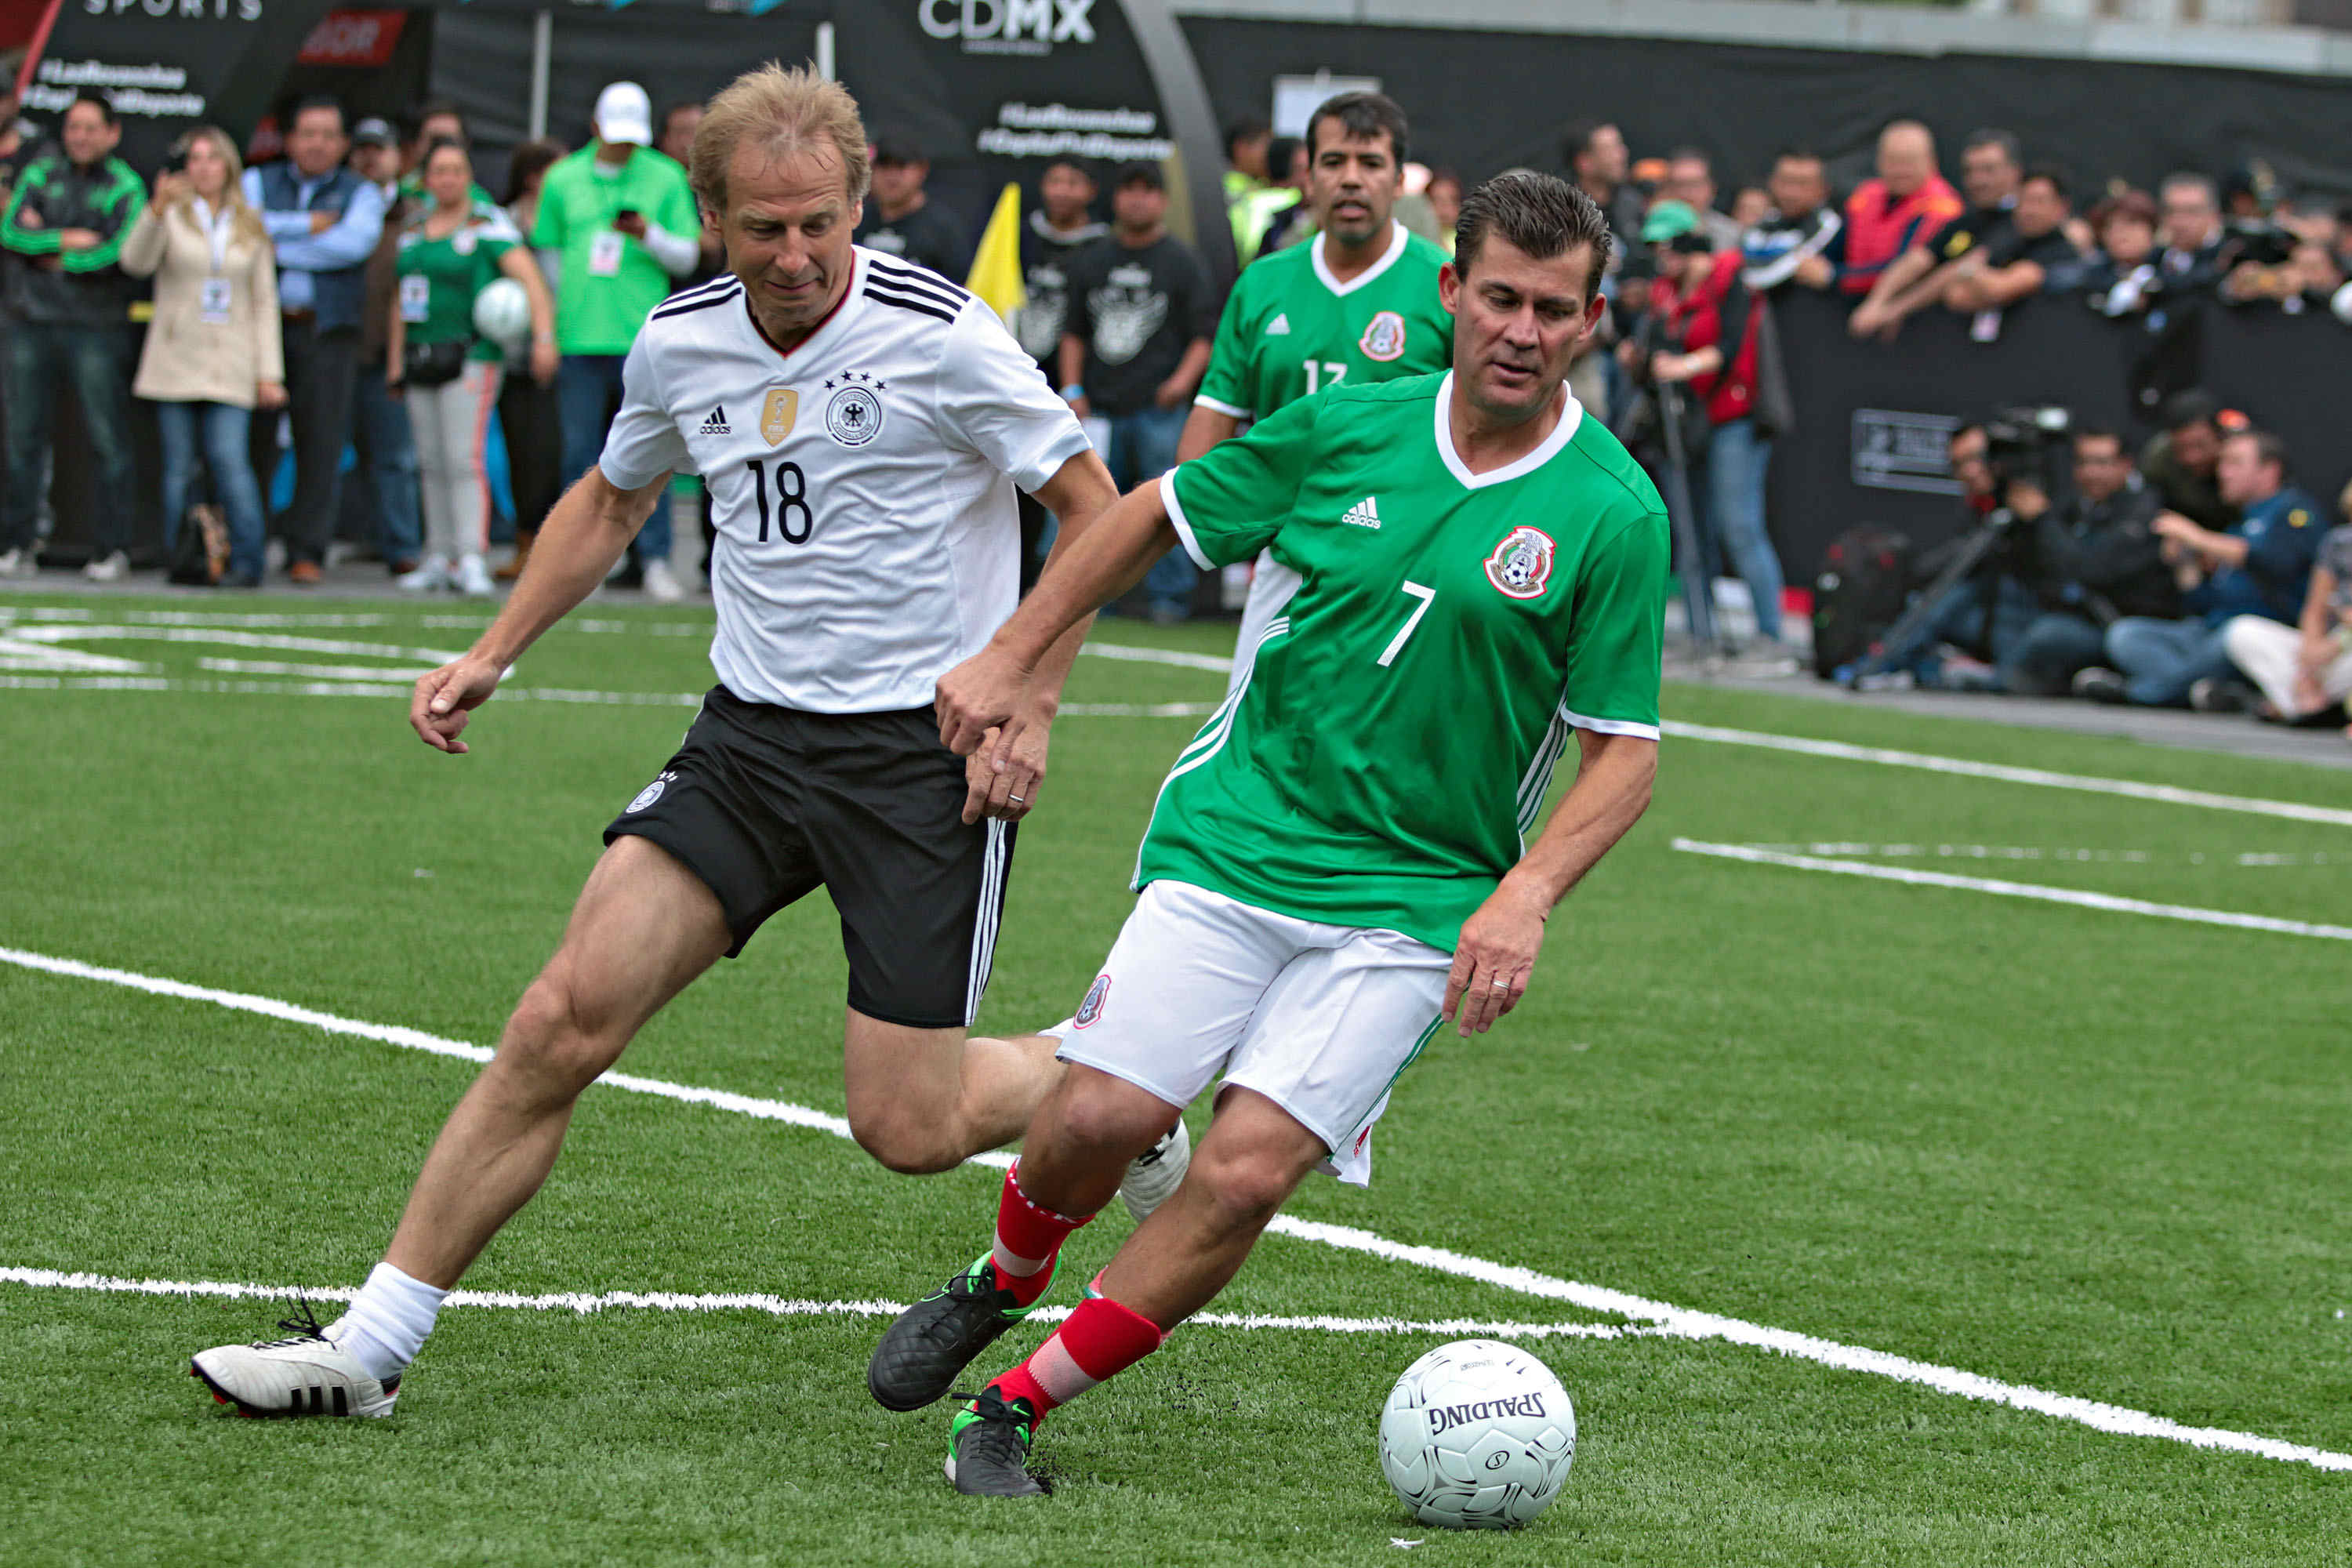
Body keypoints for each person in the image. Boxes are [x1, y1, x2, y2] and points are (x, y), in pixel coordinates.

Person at [184, 62, 1173, 1421]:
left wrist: (1030, 694)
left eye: (820, 222)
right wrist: (492, 652)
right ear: (710, 212)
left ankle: (1127, 1088)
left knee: (908, 1129)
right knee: (556, 1022)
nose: (795, 255)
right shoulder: (680, 339)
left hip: (917, 761)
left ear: (857, 201)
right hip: (750, 748)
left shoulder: (942, 333)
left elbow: (1096, 510)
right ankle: (370, 1348)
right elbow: (609, 496)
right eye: (763, 227)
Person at [868, 172, 1668, 1497]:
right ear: (1452, 292)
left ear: (1589, 324)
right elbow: (1143, 516)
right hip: (1241, 837)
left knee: (1241, 1176)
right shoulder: (1339, 427)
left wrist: (1522, 896)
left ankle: (1010, 1408)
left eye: (1557, 309)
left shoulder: (1613, 513)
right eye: (1503, 298)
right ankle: (1004, 1275)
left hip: (1414, 899)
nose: (1523, 330)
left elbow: (1624, 753)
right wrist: (1014, 655)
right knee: (1102, 1119)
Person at [1183, 91, 1452, 684]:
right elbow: (1214, 414)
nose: (1351, 180)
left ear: (1399, 179)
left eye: (1370, 162)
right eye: (1334, 162)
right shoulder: (1263, 283)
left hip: (1405, 563)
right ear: (1308, 175)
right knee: (1252, 744)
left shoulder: (1443, 287)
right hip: (1288, 554)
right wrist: (1190, 512)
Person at [534, 82, 702, 602]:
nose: (626, 146)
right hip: (581, 339)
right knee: (582, 456)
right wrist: (555, 323)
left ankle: (652, 560)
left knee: (651, 457)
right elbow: (550, 257)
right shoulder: (562, 177)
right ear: (595, 128)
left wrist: (648, 234)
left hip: (644, 342)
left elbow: (688, 258)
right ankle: (583, 564)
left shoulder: (667, 175)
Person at [387, 140, 557, 597]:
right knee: (429, 461)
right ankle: (439, 555)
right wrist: (395, 360)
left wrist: (543, 338)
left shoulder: (486, 224)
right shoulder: (416, 227)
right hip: (423, 355)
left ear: (469, 176)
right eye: (439, 171)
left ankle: (472, 556)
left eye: (457, 170)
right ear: (427, 179)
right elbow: (402, 299)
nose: (448, 179)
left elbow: (531, 280)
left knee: (464, 459)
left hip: (470, 356)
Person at [118, 125, 284, 589]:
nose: (203, 167)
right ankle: (184, 559)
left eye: (212, 158)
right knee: (177, 468)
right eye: (195, 158)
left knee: (230, 462)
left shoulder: (250, 221)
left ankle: (249, 562)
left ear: (228, 165)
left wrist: (269, 372)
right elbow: (135, 262)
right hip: (176, 357)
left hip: (231, 360)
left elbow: (264, 301)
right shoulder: (170, 215)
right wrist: (154, 210)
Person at [1635, 201, 1791, 662]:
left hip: (1735, 418)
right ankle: (1702, 633)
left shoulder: (1730, 280)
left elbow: (1729, 346)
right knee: (1691, 527)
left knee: (1738, 525)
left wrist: (1682, 365)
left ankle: (1771, 638)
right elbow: (1655, 347)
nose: (1660, 258)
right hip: (1688, 420)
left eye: (1666, 248)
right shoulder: (1666, 293)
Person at [1058, 162, 1215, 623]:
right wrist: (1071, 387)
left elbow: (1204, 334)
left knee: (1167, 507)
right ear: (1116, 199)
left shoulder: (1182, 262)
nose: (1138, 200)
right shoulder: (1092, 259)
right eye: (1129, 191)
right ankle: (1088, 596)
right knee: (1090, 504)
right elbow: (1073, 332)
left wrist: (1182, 383)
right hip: (1100, 407)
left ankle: (1171, 599)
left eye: (1148, 191)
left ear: (1163, 201)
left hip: (1159, 409)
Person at [0, 92, 146, 582]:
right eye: (73, 127)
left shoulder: (125, 184)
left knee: (107, 439)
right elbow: (11, 232)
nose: (79, 137)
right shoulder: (41, 172)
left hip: (97, 327)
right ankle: (19, 542)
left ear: (113, 132)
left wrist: (65, 260)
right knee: (22, 437)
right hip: (32, 319)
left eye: (90, 128)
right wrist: (67, 238)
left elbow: (120, 252)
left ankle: (112, 547)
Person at [243, 95, 387, 585]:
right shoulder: (256, 179)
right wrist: (307, 227)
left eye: (328, 135)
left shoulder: (361, 192)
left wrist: (276, 243)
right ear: (288, 140)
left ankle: (307, 551)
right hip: (262, 329)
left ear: (344, 144)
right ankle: (248, 542)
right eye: (308, 133)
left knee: (320, 441)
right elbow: (244, 231)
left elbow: (352, 246)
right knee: (253, 440)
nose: (317, 144)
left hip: (328, 333)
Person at [2083, 428, 2321, 710]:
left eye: (2235, 463)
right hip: (2207, 630)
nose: (2223, 472)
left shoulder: (2294, 512)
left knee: (2237, 635)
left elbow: (2275, 561)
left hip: (2263, 634)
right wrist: (2186, 563)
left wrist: (2197, 537)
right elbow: (2203, 602)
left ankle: (2140, 693)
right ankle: (2211, 693)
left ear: (2269, 470)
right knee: (2127, 635)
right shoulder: (2238, 525)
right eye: (2223, 463)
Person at [1998, 426, 2172, 695]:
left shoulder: (2143, 510)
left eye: (2101, 463)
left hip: (2119, 626)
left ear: (2125, 465)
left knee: (2049, 633)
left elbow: (2090, 569)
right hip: (2067, 611)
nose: (2091, 473)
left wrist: (2042, 519)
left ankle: (1998, 685)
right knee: (2002, 601)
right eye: (2083, 463)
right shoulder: (2076, 507)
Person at [1012, 155, 1106, 588]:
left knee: (1072, 484)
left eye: (1074, 181)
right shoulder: (1016, 236)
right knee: (1016, 485)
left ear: (1090, 190)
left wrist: (1074, 383)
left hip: (1072, 389)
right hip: (1016, 379)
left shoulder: (1103, 248)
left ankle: (1065, 578)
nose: (1063, 190)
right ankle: (1019, 569)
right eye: (1054, 180)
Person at [1850, 129, 2020, 339]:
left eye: (1989, 170)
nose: (1978, 180)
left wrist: (1894, 310)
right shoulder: (1969, 219)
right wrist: (1876, 302)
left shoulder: (2024, 220)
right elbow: (1920, 257)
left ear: (2014, 171)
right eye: (1970, 171)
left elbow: (1961, 268)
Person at [349, 118, 423, 575]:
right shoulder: (335, 202)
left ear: (400, 156)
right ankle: (360, 537)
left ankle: (402, 546)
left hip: (390, 349)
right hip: (339, 345)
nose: (370, 157)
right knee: (345, 451)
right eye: (362, 149)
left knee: (395, 454)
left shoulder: (415, 211)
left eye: (380, 148)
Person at [2220, 488, 2352, 733]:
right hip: (2323, 656)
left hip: (2344, 655)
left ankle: (2294, 707)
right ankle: (2309, 707)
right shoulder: (2338, 543)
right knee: (2242, 631)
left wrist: (2335, 645)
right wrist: (2310, 657)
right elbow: (2314, 609)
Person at [496, 138, 568, 583]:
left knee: (556, 452)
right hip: (509, 356)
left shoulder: (569, 221)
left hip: (561, 350)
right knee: (519, 454)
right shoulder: (500, 224)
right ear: (532, 177)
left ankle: (558, 551)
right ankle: (524, 543)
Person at [1835, 120, 1962, 302]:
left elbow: (1904, 271)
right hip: (1848, 301)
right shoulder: (1865, 195)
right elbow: (1834, 248)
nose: (1900, 170)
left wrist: (1833, 276)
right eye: (1892, 161)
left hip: (1905, 310)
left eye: (1909, 162)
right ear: (1879, 162)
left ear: (1931, 162)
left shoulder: (1942, 207)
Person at [1940, 165, 2082, 318]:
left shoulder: (2061, 251)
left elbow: (1999, 289)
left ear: (2062, 207)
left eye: (2039, 201)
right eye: (2023, 200)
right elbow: (1955, 296)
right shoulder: (2008, 242)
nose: (2028, 211)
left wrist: (1970, 269)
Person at [855, 132, 971, 279]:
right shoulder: (857, 220)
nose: (892, 177)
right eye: (884, 166)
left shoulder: (943, 231)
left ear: (922, 170)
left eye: (901, 165)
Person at [1740, 150, 1842, 296]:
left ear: (1824, 189)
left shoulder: (1838, 232)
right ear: (1772, 182)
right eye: (1785, 181)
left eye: (1803, 184)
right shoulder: (1759, 227)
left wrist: (1834, 277)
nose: (1791, 193)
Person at [2137, 389, 2234, 532]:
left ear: (2221, 437)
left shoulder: (2241, 455)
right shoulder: (2159, 458)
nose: (2191, 458)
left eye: (2200, 445)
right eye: (2181, 448)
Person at [1560, 119, 1646, 259]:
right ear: (1584, 162)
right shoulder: (1560, 211)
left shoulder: (1632, 203)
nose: (1623, 155)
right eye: (1610, 150)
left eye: (1620, 146)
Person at [1662, 147, 1744, 252]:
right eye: (1678, 185)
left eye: (1694, 184)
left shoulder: (1732, 235)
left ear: (1712, 188)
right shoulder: (1649, 230)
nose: (1685, 193)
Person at [2154, 173, 2227, 294]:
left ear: (2214, 216)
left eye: (2191, 212)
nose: (2180, 222)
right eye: (2171, 211)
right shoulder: (2153, 261)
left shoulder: (2226, 260)